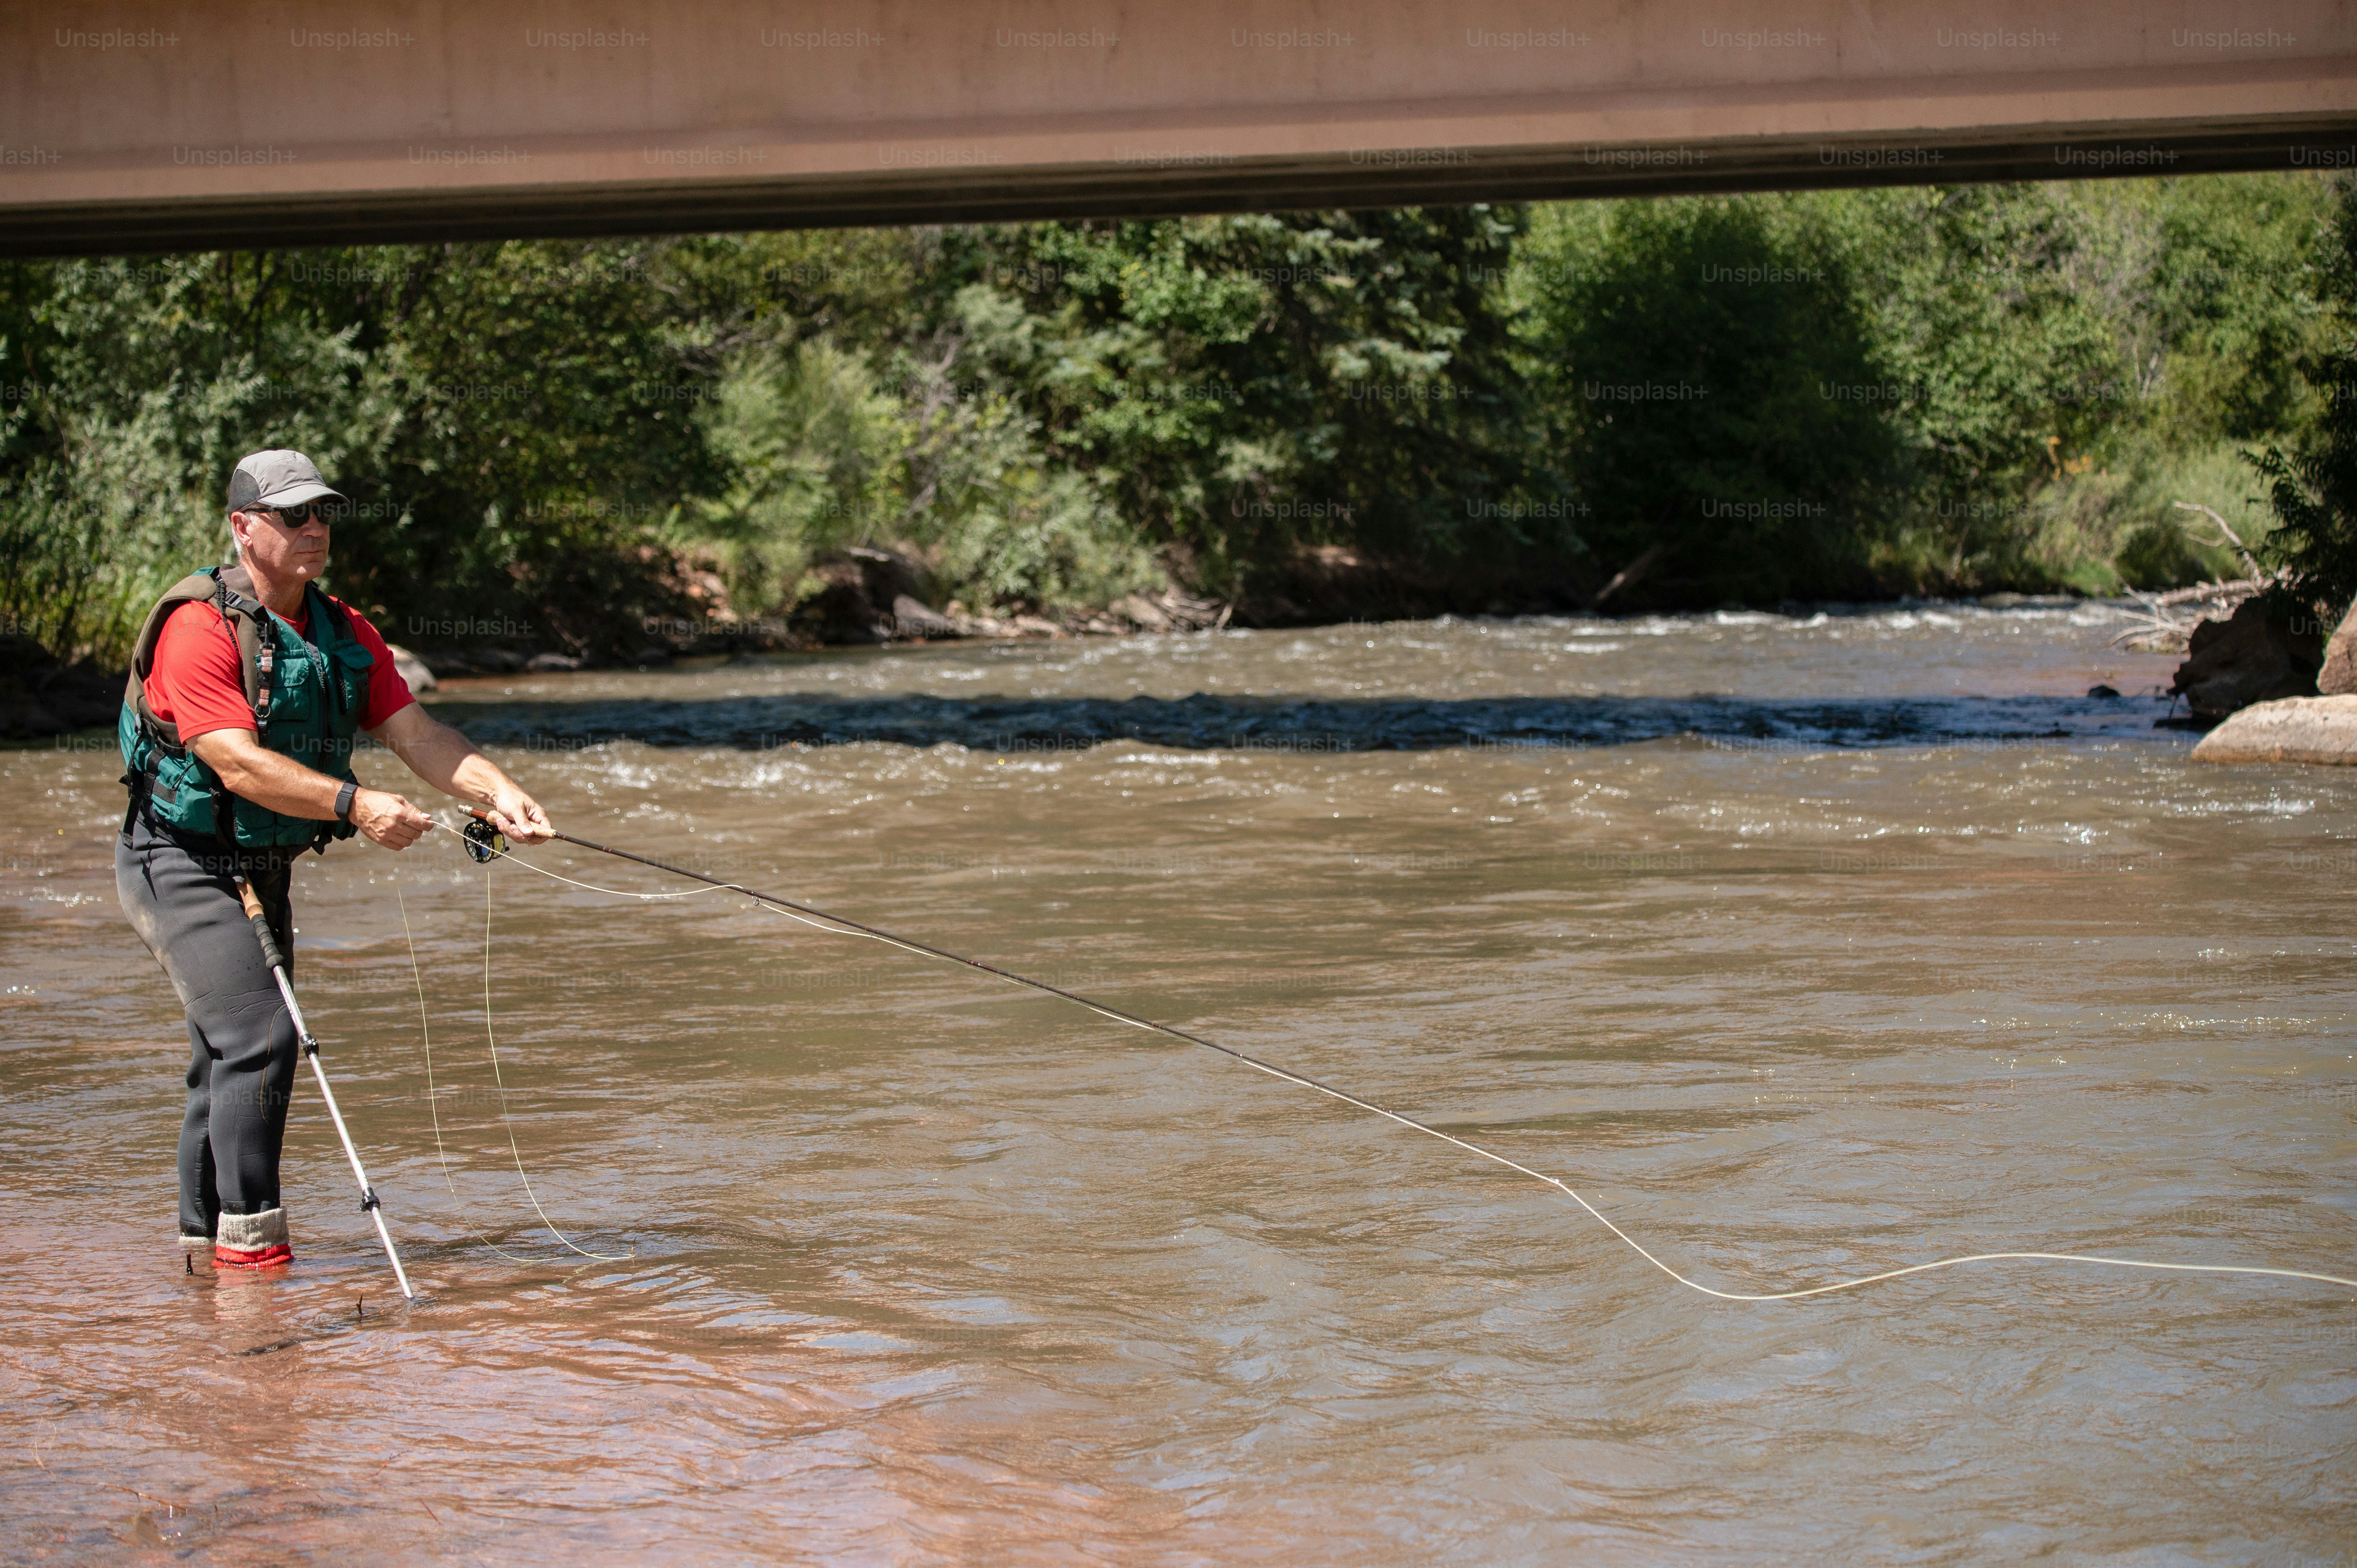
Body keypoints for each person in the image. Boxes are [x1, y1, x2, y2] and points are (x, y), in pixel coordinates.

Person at [115, 448, 554, 1273]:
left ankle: (203, 1263)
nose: (314, 528)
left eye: (322, 513)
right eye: (293, 515)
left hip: (263, 861)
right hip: (174, 858)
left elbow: (418, 736)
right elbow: (235, 762)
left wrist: (500, 793)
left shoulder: (344, 630)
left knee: (227, 1051)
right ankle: (253, 1262)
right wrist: (357, 805)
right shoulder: (198, 627)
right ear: (244, 527)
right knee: (259, 1039)